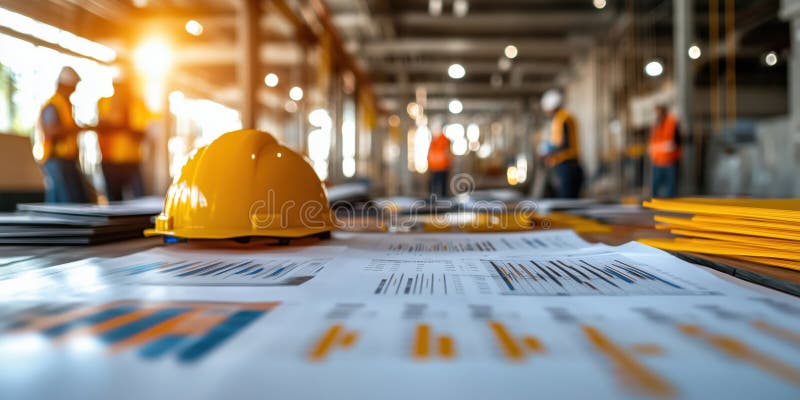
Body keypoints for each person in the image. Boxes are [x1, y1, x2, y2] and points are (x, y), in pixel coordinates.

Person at [38, 66, 90, 203]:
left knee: (69, 198)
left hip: (66, 159)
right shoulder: (53, 105)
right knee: (65, 200)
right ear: (65, 85)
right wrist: (74, 129)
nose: (74, 90)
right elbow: (51, 131)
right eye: (73, 86)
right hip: (55, 159)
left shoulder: (65, 105)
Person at [96, 79, 145, 201]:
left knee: (139, 200)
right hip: (109, 161)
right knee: (114, 201)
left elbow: (142, 133)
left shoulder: (137, 104)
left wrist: (119, 125)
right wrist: (123, 127)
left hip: (131, 161)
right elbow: (101, 127)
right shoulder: (103, 102)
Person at [539, 89, 584, 198]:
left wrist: (548, 150)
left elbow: (564, 143)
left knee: (566, 200)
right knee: (570, 200)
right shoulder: (566, 117)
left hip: (566, 165)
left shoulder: (562, 119)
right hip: (570, 164)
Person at [648, 105, 681, 198]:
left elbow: (674, 142)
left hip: (669, 160)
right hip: (657, 161)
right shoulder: (655, 124)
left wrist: (661, 147)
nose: (657, 115)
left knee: (670, 188)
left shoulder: (671, 122)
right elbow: (652, 141)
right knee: (655, 188)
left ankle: (670, 205)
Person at [427, 130, 451, 198]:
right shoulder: (445, 140)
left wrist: (429, 164)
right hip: (443, 165)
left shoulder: (434, 141)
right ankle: (444, 198)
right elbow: (448, 152)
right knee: (443, 184)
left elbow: (429, 153)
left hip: (434, 166)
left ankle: (433, 198)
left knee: (435, 184)